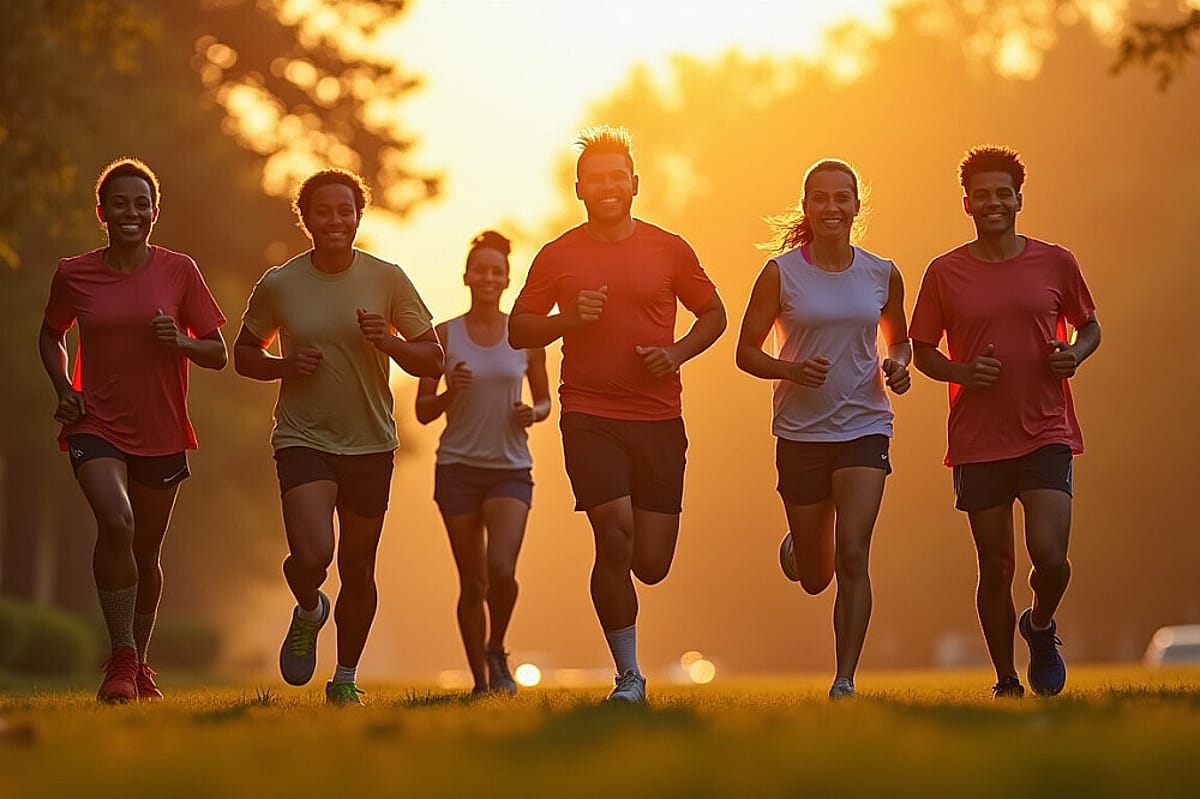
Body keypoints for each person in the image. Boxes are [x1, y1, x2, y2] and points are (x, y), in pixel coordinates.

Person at [508, 125, 726, 704]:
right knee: (615, 533)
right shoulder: (559, 255)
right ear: (579, 189)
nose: (607, 187)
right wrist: (567, 321)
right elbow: (519, 328)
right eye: (594, 179)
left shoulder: (669, 248)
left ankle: (629, 650)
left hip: (659, 417)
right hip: (589, 413)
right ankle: (629, 675)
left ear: (634, 184)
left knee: (650, 563)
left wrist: (677, 353)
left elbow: (715, 314)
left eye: (616, 177)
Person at [233, 168, 443, 706]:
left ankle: (345, 678)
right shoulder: (280, 283)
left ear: (358, 215)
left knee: (357, 567)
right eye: (323, 211)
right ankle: (308, 607)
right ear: (306, 218)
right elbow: (245, 354)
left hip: (371, 441)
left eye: (344, 211)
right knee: (313, 555)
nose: (334, 220)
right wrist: (284, 365)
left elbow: (432, 358)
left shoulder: (387, 278)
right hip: (302, 437)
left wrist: (389, 343)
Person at [910, 146, 1100, 699]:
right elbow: (922, 351)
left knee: (1051, 556)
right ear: (966, 203)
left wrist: (1075, 354)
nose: (994, 202)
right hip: (978, 441)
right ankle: (1007, 680)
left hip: (1046, 430)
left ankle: (1040, 625)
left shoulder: (1056, 261)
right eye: (983, 194)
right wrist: (963, 373)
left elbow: (1090, 327)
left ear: (1019, 198)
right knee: (995, 565)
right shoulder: (945, 272)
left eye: (1004, 193)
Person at [38, 158, 228, 703]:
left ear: (155, 212)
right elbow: (51, 335)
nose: (131, 211)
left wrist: (183, 342)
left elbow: (218, 351)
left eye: (141, 203)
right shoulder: (73, 273)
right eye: (119, 202)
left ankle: (139, 664)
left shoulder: (179, 271)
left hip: (162, 428)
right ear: (102, 212)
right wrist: (63, 389)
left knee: (147, 551)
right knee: (116, 521)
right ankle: (120, 657)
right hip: (94, 423)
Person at [735, 159, 911, 699]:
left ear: (857, 206)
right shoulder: (781, 274)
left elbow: (899, 339)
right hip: (801, 432)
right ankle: (802, 547)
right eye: (821, 199)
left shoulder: (882, 273)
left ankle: (844, 679)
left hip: (865, 425)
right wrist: (789, 369)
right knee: (817, 575)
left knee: (854, 551)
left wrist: (899, 365)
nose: (832, 208)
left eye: (843, 198)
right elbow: (745, 352)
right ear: (806, 206)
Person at [415, 231, 551, 695]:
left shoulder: (526, 336)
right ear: (467, 276)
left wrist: (531, 413)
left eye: (496, 271)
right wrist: (451, 387)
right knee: (472, 583)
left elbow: (546, 401)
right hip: (457, 468)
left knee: (502, 571)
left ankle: (497, 647)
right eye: (480, 270)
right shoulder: (443, 336)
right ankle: (481, 683)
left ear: (507, 278)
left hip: (511, 466)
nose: (488, 277)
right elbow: (423, 410)